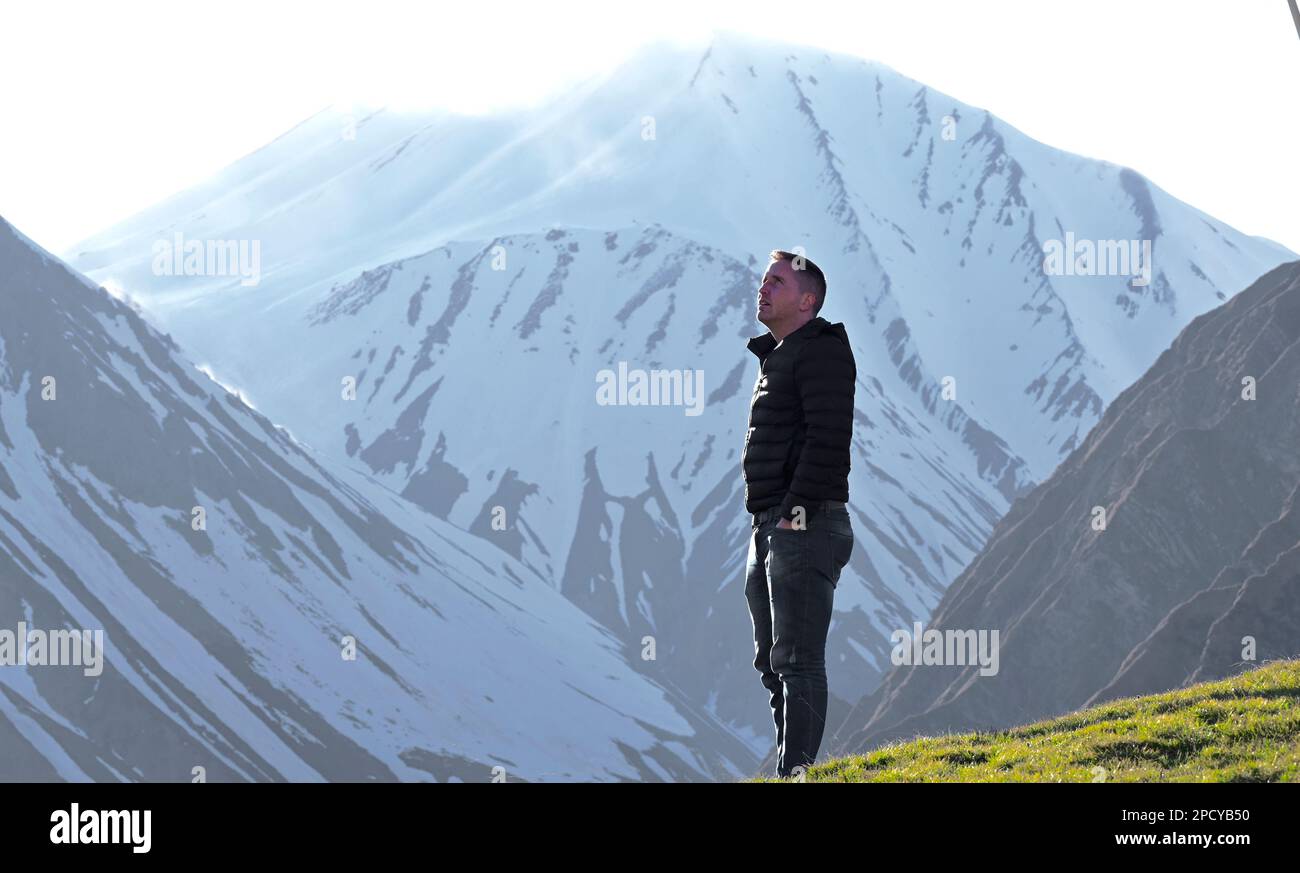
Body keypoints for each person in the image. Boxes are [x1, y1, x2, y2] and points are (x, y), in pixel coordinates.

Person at [742, 249, 856, 778]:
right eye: (764, 279)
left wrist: (795, 513)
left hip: (801, 524)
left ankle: (799, 774)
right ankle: (793, 770)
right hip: (771, 525)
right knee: (772, 659)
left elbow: (828, 436)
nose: (764, 288)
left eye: (778, 282)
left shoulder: (820, 351)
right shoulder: (782, 354)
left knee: (798, 659)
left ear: (807, 300)